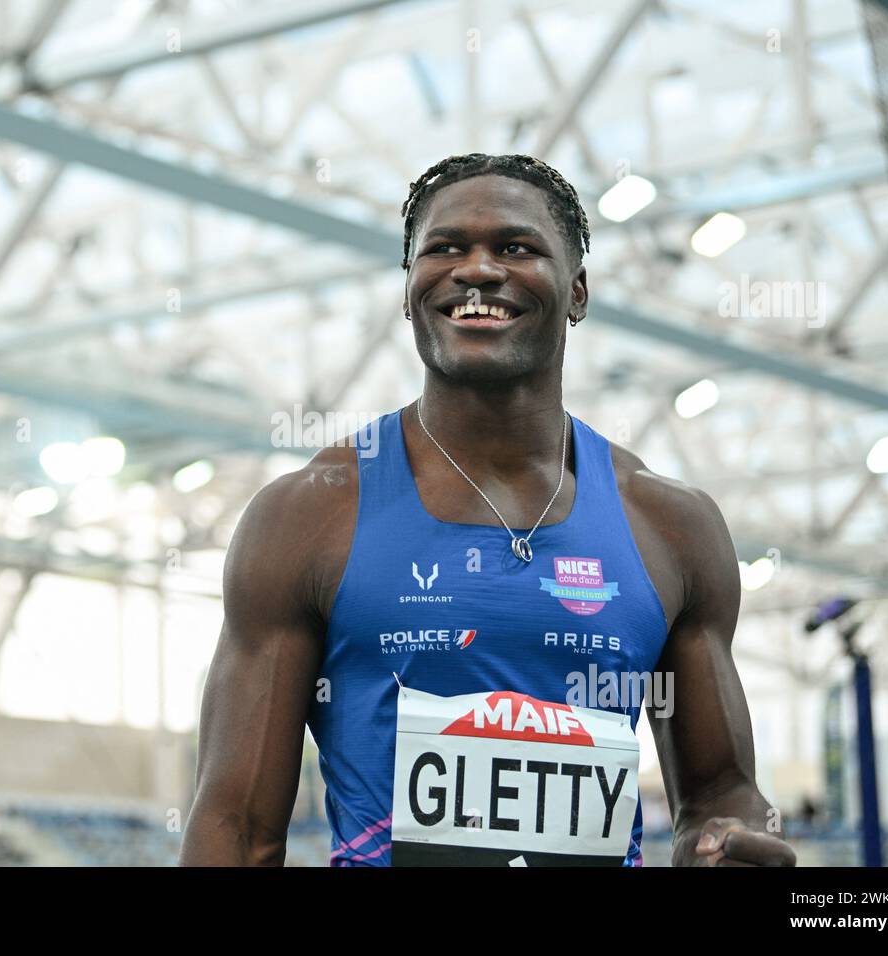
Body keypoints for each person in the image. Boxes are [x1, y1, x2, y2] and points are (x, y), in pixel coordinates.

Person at [180, 153, 796, 867]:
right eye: (444, 248)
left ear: (578, 291)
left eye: (515, 247)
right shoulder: (307, 516)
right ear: (408, 291)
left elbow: (722, 791)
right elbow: (234, 826)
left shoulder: (672, 526)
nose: (476, 269)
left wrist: (725, 844)